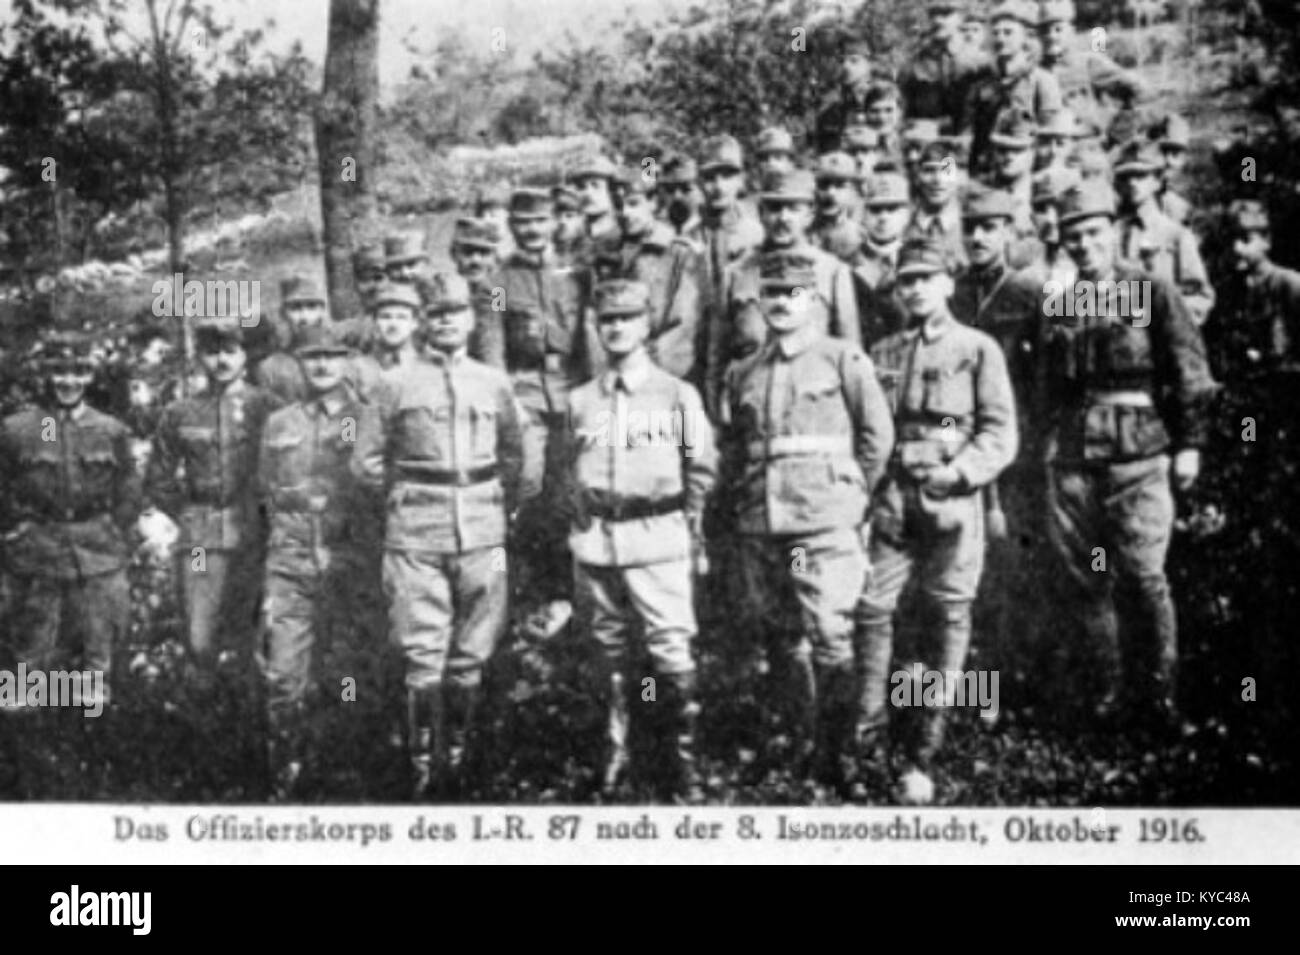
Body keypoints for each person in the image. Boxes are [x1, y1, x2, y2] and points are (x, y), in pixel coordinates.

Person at [1040, 180, 1215, 730]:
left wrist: (1189, 445)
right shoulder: (1062, 301)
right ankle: (1106, 696)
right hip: (1073, 461)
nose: (1085, 245)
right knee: (1088, 577)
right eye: (1074, 238)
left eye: (1093, 233)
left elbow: (1190, 372)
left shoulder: (1152, 289)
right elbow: (1045, 386)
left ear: (1112, 230)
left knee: (1142, 576)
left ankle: (1159, 700)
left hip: (1138, 458)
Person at [720, 255, 894, 789]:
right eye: (770, 293)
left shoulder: (843, 359)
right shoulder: (743, 371)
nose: (779, 303)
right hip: (763, 521)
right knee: (778, 632)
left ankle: (838, 750)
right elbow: (737, 448)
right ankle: (798, 738)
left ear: (813, 300)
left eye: (792, 293)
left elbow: (876, 438)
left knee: (831, 634)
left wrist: (850, 494)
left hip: (823, 519)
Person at [353, 271, 526, 799]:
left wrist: (500, 506)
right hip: (416, 533)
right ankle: (423, 769)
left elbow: (518, 457)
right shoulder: (393, 384)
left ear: (472, 321)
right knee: (422, 651)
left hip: (483, 529)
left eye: (457, 312)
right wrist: (409, 496)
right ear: (424, 322)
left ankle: (462, 760)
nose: (447, 321)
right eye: (438, 313)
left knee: (475, 647)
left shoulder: (494, 383)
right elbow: (365, 462)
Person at [858, 237, 1017, 805]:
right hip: (892, 501)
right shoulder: (881, 351)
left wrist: (962, 473)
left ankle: (924, 749)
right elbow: (868, 430)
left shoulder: (978, 349)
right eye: (907, 280)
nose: (917, 288)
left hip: (950, 500)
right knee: (873, 609)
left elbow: (999, 432)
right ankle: (868, 737)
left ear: (948, 283)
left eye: (928, 277)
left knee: (949, 614)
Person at [564, 278, 717, 802]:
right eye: (607, 320)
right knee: (606, 651)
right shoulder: (582, 399)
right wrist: (579, 514)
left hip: (658, 540)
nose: (616, 328)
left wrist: (691, 526)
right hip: (598, 542)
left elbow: (702, 466)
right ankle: (615, 753)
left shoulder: (677, 394)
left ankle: (682, 764)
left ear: (646, 324)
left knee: (671, 649)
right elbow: (568, 467)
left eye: (627, 318)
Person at [256, 324, 372, 799]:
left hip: (347, 556)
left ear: (346, 361)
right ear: (299, 363)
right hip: (289, 557)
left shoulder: (366, 418)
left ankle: (345, 759)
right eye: (312, 357)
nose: (322, 365)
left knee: (346, 666)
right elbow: (266, 489)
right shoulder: (279, 423)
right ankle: (288, 764)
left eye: (332, 356)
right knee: (284, 672)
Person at [0, 330, 137, 715]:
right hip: (36, 551)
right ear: (46, 375)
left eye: (77, 372)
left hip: (96, 552)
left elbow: (128, 488)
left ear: (90, 376)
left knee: (97, 646)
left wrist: (115, 531)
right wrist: (14, 531)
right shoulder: (17, 429)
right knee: (30, 643)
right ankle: (24, 744)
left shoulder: (110, 430)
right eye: (59, 372)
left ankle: (90, 737)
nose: (68, 381)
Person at [147, 318, 280, 680]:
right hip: (201, 543)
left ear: (244, 357)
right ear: (200, 358)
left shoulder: (268, 408)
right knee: (200, 637)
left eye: (230, 351)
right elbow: (158, 478)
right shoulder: (179, 413)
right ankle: (202, 725)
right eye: (212, 352)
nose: (221, 361)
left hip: (253, 534)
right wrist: (191, 513)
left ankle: (251, 725)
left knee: (250, 636)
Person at [488, 187, 591, 639]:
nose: (532, 230)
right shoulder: (498, 282)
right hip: (525, 391)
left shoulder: (578, 274)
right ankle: (525, 598)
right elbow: (492, 345)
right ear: (512, 226)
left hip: (573, 388)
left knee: (575, 491)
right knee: (526, 485)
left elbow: (592, 337)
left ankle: (575, 600)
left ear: (555, 222)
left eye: (540, 221)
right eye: (523, 222)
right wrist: (504, 403)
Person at [710, 168, 861, 418]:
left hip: (813, 407)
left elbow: (851, 356)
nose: (783, 218)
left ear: (810, 214)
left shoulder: (831, 272)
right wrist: (717, 417)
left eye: (793, 209)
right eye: (775, 209)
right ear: (760, 213)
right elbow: (716, 360)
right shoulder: (736, 274)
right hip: (750, 407)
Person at [593, 166, 704, 382]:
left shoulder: (677, 253)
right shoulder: (604, 255)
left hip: (661, 371)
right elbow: (592, 318)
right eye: (618, 205)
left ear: (653, 202)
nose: (625, 213)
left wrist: (643, 365)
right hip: (611, 368)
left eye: (634, 203)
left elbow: (683, 324)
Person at [693, 135, 764, 418]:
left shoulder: (757, 234)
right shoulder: (689, 238)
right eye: (710, 177)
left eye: (727, 175)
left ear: (742, 179)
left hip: (744, 351)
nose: (718, 186)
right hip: (699, 352)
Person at [1113, 139, 1215, 325]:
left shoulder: (1176, 235)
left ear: (1157, 181)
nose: (1133, 183)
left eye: (1141, 176)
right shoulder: (1115, 233)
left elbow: (1199, 297)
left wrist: (1167, 320)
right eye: (1126, 177)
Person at [959, 0, 1062, 178]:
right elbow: (965, 139)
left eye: (1008, 32)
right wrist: (954, 177)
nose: (1000, 39)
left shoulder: (1042, 81)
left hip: (1030, 174)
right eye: (995, 33)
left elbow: (1051, 136)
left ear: (1025, 37)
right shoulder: (980, 87)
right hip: (986, 174)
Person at [1036, 0, 1151, 136]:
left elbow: (1141, 90)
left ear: (1071, 31)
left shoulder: (1088, 63)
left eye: (1058, 29)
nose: (1051, 36)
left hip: (1084, 145)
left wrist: (1119, 131)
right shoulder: (1032, 71)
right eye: (1044, 31)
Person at [902, 0, 991, 128]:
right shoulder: (916, 63)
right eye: (933, 15)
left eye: (945, 14)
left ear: (960, 18)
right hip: (925, 140)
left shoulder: (979, 62)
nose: (938, 20)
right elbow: (902, 108)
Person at [855, 169, 913, 346]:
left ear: (907, 215)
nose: (883, 218)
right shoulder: (847, 264)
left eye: (892, 209)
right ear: (863, 215)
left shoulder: (920, 259)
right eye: (875, 210)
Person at [814, 37, 895, 153]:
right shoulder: (832, 107)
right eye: (841, 61)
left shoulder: (887, 97)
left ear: (869, 64)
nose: (846, 66)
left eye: (854, 61)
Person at [812, 152, 866, 265]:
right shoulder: (804, 233)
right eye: (823, 185)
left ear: (854, 192)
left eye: (840, 186)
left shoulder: (862, 238)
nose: (830, 193)